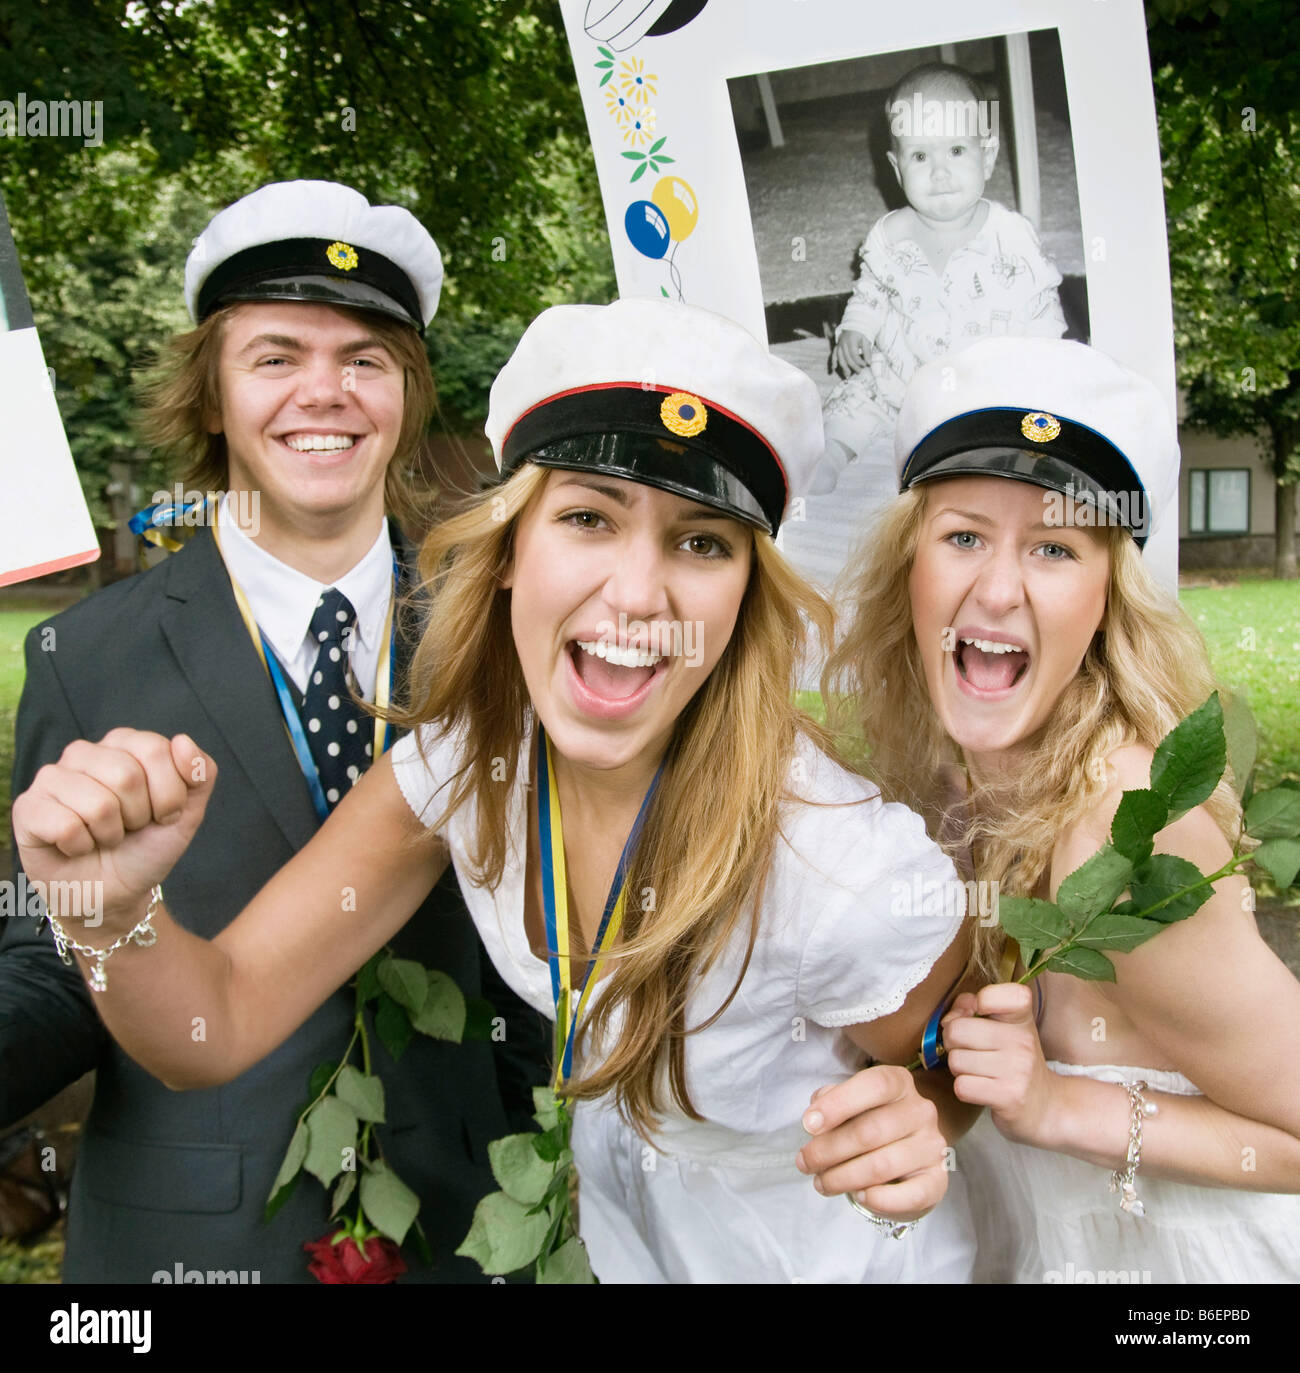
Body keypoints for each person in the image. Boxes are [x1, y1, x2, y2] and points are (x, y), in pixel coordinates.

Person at [13, 296, 981, 1284]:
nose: (638, 593)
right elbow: (212, 1023)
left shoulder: (837, 865)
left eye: (701, 542)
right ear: (513, 549)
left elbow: (963, 1045)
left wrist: (931, 1110)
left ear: (742, 597)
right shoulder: (463, 767)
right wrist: (113, 909)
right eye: (588, 518)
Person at [0, 180, 548, 1283]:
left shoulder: (511, 630)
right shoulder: (87, 653)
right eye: (276, 355)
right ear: (210, 395)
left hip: (472, 1224)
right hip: (191, 1236)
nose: (325, 393)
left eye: (365, 359)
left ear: (405, 392)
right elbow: (54, 958)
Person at [826, 337, 1300, 1282]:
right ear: (909, 566)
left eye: (1054, 547)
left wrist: (1053, 1107)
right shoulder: (930, 787)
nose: (996, 589)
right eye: (964, 535)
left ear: (1106, 598)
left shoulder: (1122, 827)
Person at [811, 62, 1066, 496]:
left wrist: (1042, 361)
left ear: (986, 156)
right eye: (921, 156)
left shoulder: (1010, 234)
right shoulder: (889, 234)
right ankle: (832, 454)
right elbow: (871, 288)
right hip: (901, 373)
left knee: (1014, 426)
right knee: (857, 401)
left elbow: (1040, 302)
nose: (940, 172)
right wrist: (857, 326)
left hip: (983, 382)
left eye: (956, 151)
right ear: (896, 167)